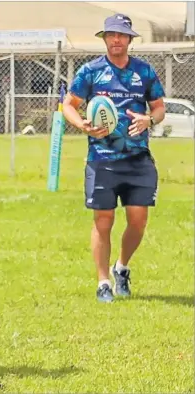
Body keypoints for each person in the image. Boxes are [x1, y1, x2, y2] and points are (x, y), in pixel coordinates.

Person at [62, 14, 166, 303]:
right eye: (111, 35)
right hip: (101, 159)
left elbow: (159, 108)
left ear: (129, 39)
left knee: (138, 220)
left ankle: (121, 267)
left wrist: (149, 119)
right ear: (105, 38)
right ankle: (103, 282)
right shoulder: (91, 71)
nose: (116, 39)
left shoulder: (144, 72)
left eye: (121, 35)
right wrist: (81, 123)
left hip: (137, 158)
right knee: (103, 221)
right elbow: (69, 104)